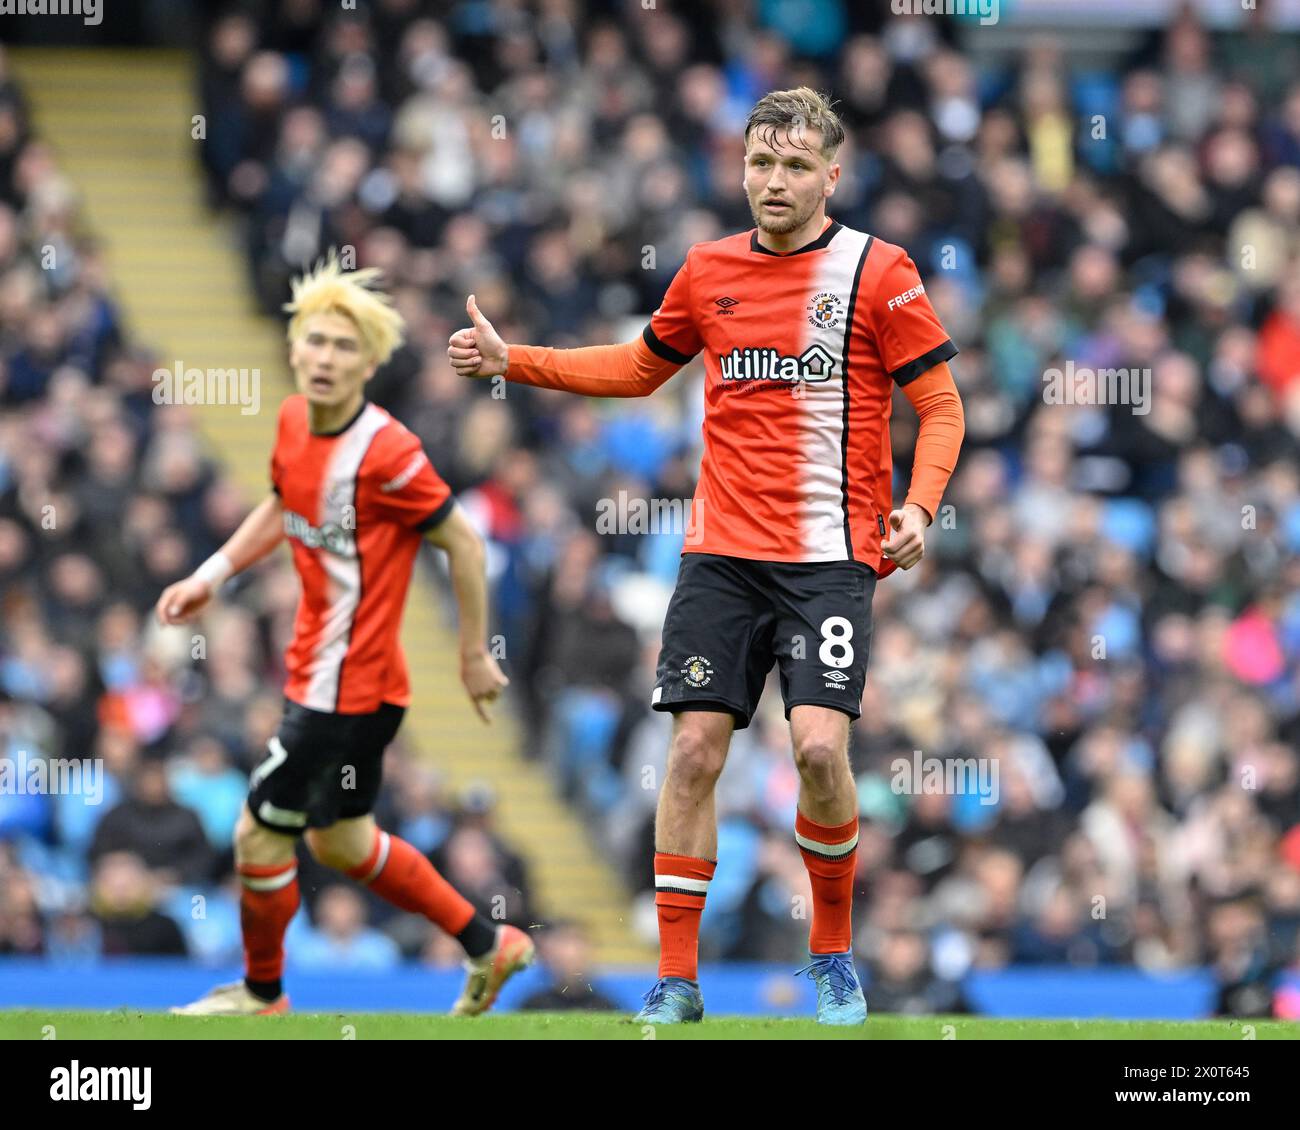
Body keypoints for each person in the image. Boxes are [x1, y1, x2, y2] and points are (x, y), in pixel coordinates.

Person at [449, 88, 965, 1025]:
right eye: (761, 163)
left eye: (796, 166)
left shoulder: (877, 272)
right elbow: (639, 366)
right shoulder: (708, 269)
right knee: (690, 752)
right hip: (721, 556)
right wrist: (511, 360)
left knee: (818, 751)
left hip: (829, 560)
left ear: (831, 177)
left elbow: (940, 404)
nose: (774, 181)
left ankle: (834, 955)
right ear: (742, 168)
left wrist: (921, 507)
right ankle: (678, 980)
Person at [157, 257, 531, 1016]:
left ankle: (262, 996)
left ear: (368, 361)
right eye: (316, 342)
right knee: (341, 844)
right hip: (336, 679)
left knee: (258, 836)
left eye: (343, 347)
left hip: (347, 690)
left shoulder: (387, 453)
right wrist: (212, 573)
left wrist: (470, 655)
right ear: (295, 348)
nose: (326, 358)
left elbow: (463, 541)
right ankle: (491, 946)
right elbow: (279, 503)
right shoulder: (294, 422)